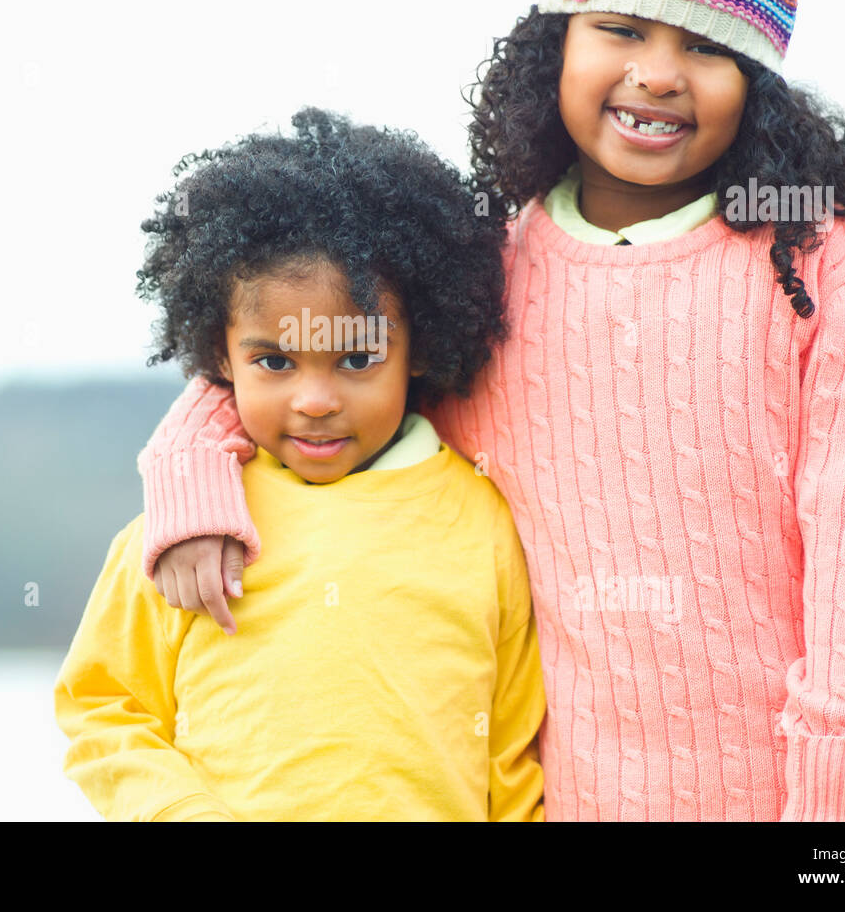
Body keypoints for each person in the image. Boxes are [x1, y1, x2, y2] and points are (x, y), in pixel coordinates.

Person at [133, 0, 845, 821]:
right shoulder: (490, 274)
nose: (656, 73)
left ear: (757, 82)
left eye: (705, 46)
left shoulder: (816, 269)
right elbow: (308, 364)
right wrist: (188, 472)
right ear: (554, 42)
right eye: (620, 29)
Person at [53, 107, 546, 821]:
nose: (315, 400)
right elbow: (102, 707)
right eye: (275, 362)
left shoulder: (481, 521)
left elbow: (511, 753)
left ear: (421, 347)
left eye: (356, 359)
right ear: (221, 356)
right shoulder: (183, 532)